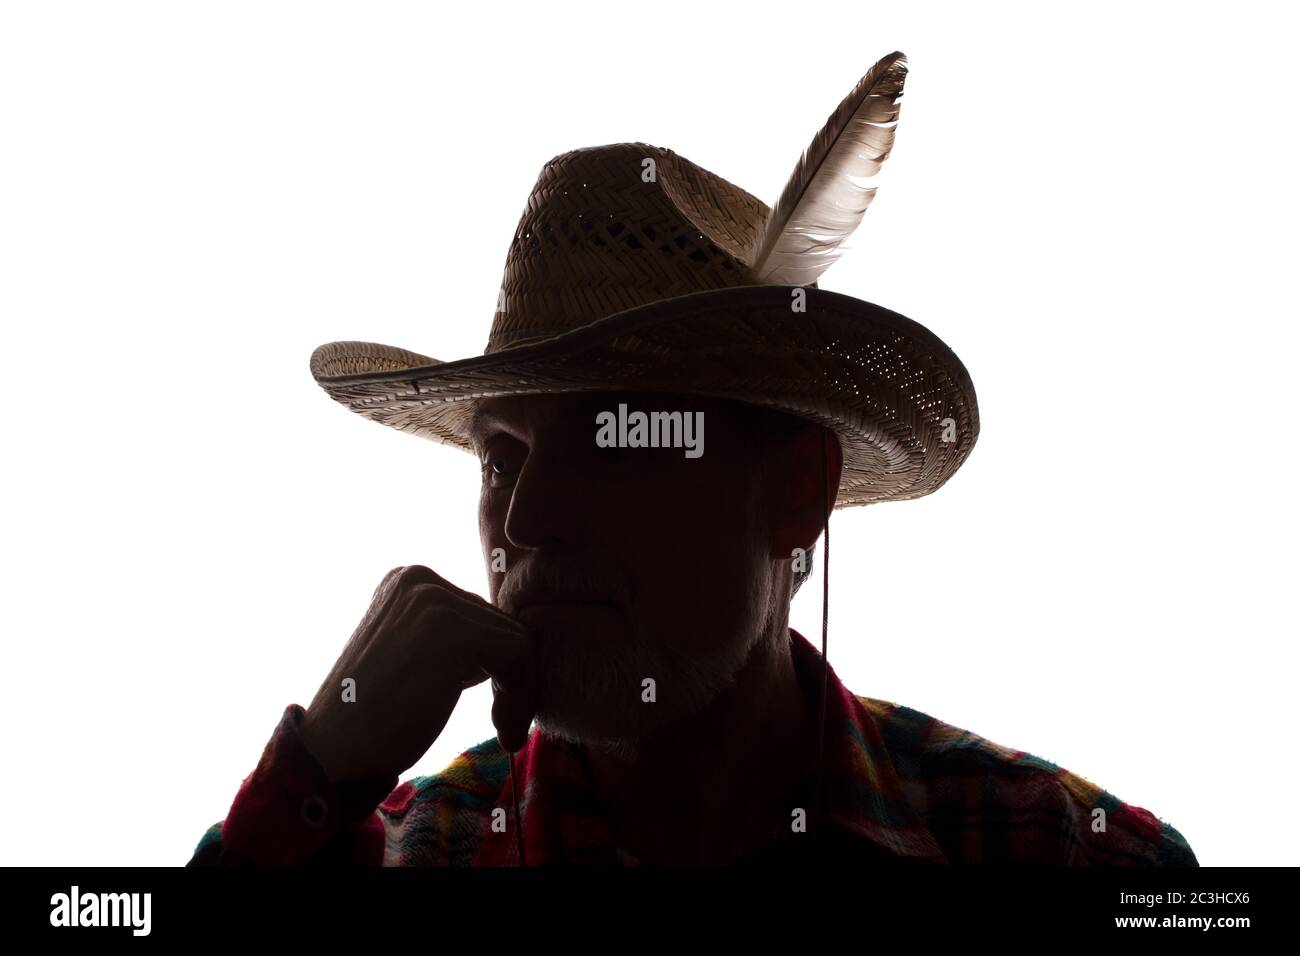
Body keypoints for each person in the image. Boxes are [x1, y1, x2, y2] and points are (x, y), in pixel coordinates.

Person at [188, 52, 1196, 866]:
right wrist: (318, 772)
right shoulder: (400, 851)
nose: (527, 516)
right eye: (499, 458)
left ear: (796, 491)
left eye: (612, 440)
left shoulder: (1053, 850)